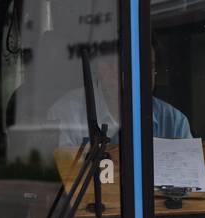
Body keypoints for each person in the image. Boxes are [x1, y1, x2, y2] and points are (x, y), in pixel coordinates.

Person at [46, 43, 191, 148]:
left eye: (149, 67)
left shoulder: (174, 122)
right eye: (132, 65)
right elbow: (62, 184)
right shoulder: (66, 114)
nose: (141, 75)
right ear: (103, 68)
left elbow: (189, 183)